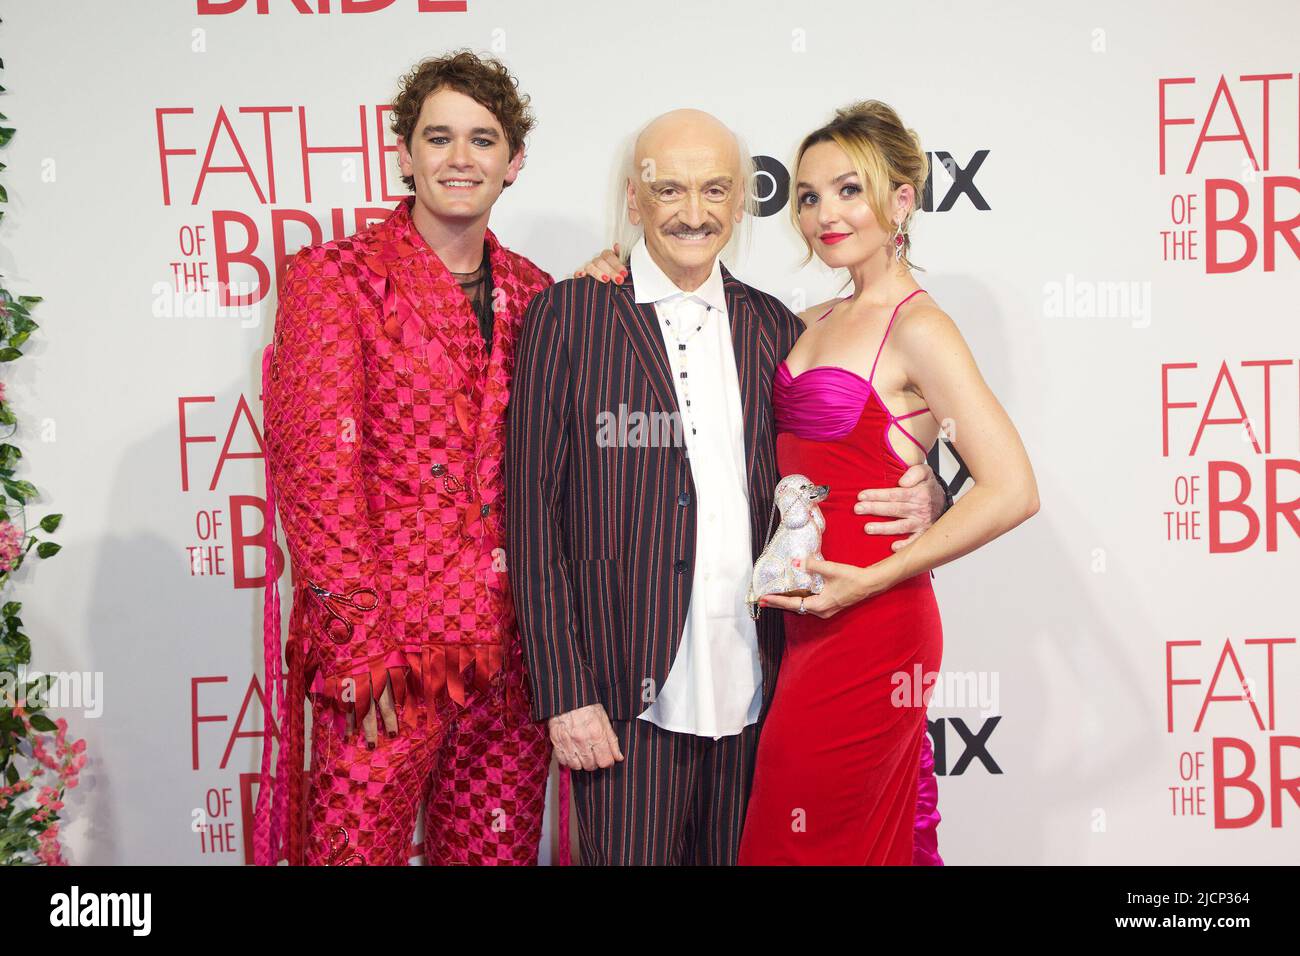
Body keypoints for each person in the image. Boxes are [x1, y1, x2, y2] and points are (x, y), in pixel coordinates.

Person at [506, 108, 950, 865]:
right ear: (632, 197)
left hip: (761, 695)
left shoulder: (776, 327)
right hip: (621, 700)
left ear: (742, 200)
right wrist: (565, 694)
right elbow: (531, 519)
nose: (693, 211)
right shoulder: (568, 316)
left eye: (715, 189)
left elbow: (848, 452)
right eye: (669, 189)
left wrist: (929, 491)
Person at [256, 51, 554, 866]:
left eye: (483, 140)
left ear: (513, 162)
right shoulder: (334, 279)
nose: (462, 158)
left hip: (510, 659)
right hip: (386, 661)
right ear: (405, 153)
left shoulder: (540, 295)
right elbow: (317, 477)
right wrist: (358, 647)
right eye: (440, 137)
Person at [737, 100, 1039, 864]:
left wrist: (877, 576)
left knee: (797, 839)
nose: (823, 214)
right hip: (804, 623)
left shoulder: (920, 327)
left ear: (902, 199)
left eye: (848, 189)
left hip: (875, 628)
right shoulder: (804, 320)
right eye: (807, 196)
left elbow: (1011, 489)